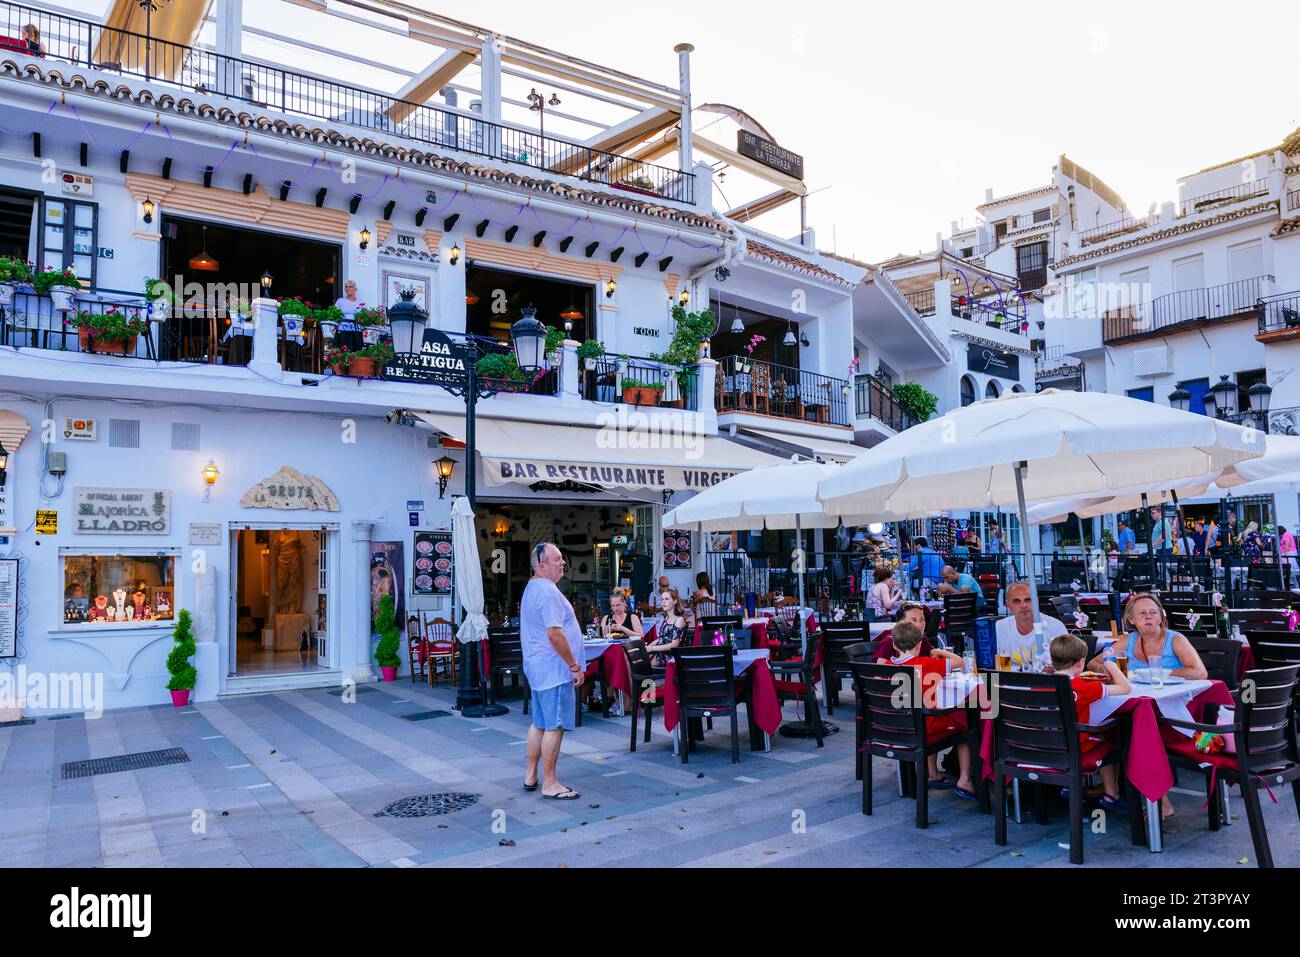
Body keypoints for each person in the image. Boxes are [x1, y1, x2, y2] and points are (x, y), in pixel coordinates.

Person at [1087, 592, 1206, 827]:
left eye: (1153, 612)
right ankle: (1112, 792)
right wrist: (1112, 669)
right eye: (1142, 613)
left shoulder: (1175, 640)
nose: (1148, 617)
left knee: (1139, 733)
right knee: (1102, 725)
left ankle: (1162, 802)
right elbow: (1093, 663)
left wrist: (1159, 673)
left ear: (1162, 617)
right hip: (1139, 706)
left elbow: (1199, 672)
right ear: (1132, 619)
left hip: (1175, 713)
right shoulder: (1129, 640)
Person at [519, 543, 585, 800]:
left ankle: (531, 775)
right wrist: (574, 665)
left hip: (538, 668)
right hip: (553, 670)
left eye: (562, 559)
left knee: (539, 724)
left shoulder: (533, 587)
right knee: (554, 726)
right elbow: (555, 634)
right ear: (541, 565)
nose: (562, 564)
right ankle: (550, 782)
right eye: (557, 559)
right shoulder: (547, 592)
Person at [884, 621, 977, 799]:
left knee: (926, 714)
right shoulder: (927, 664)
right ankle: (965, 778)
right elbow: (962, 662)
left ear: (894, 645)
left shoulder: (886, 666)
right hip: (924, 729)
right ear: (919, 644)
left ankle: (932, 773)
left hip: (894, 729)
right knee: (965, 722)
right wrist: (940, 651)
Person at [1049, 634, 1131, 811]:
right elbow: (1126, 688)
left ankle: (1069, 785)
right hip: (1077, 750)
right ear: (1081, 663)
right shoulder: (1083, 686)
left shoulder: (1040, 684)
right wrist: (1109, 663)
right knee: (1111, 737)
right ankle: (1112, 794)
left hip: (1046, 748)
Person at [995, 581, 1068, 659]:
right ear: (1008, 605)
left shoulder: (1055, 627)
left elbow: (1069, 663)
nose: (1023, 605)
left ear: (1036, 601)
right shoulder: (999, 627)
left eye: (1028, 600)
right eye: (1016, 601)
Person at [646, 589, 687, 667]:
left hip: (668, 656)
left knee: (636, 663)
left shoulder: (679, 620)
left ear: (674, 601)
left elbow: (674, 644)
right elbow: (661, 639)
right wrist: (648, 647)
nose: (663, 602)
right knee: (634, 659)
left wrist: (652, 648)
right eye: (662, 599)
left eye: (667, 599)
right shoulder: (666, 618)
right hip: (660, 653)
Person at [333, 279, 364, 353]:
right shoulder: (340, 301)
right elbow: (334, 314)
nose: (348, 288)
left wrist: (362, 319)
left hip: (356, 331)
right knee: (342, 352)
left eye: (350, 286)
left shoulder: (361, 302)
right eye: (346, 287)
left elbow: (365, 317)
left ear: (355, 289)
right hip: (343, 330)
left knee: (356, 353)